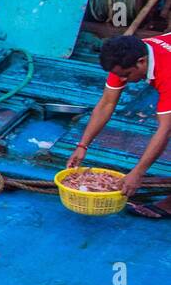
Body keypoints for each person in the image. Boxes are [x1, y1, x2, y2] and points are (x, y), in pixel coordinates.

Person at [68, 33, 171, 214]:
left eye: (126, 75)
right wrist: (82, 145)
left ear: (141, 62)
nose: (122, 80)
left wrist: (138, 172)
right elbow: (107, 103)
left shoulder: (167, 72)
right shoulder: (128, 55)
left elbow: (165, 129)